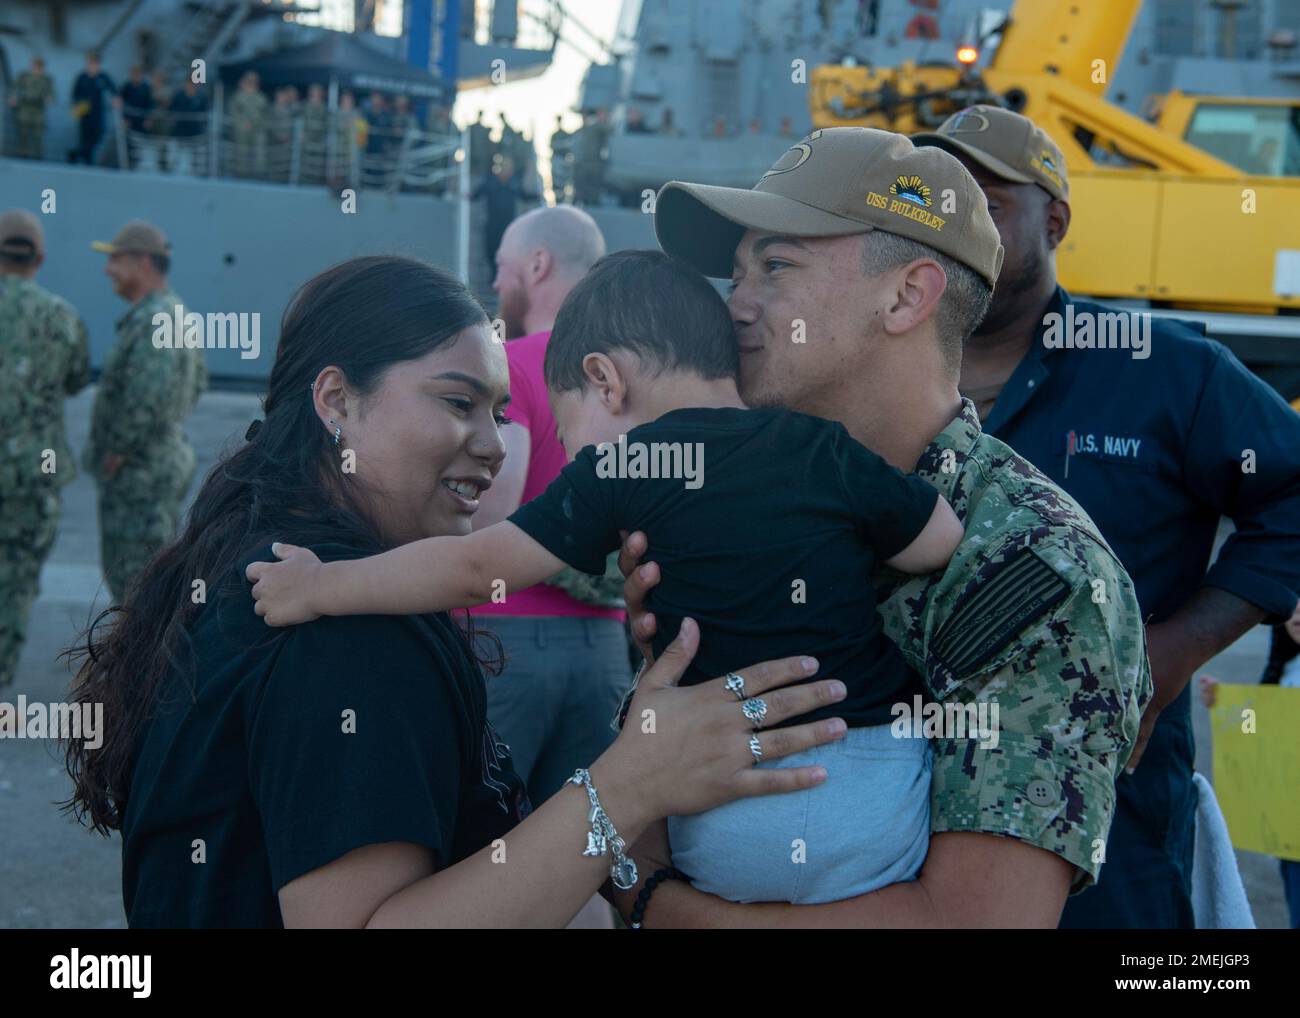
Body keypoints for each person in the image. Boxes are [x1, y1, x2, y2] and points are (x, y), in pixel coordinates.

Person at [62, 255, 848, 927]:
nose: (493, 444)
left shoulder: (262, 561)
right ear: (336, 402)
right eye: (456, 401)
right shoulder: (349, 625)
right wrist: (629, 784)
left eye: (501, 412)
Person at [248, 249, 964, 907]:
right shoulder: (821, 445)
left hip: (740, 808)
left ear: (604, 380)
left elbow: (478, 568)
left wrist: (321, 587)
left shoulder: (623, 466)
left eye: (567, 432)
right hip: (879, 796)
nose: (571, 451)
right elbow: (939, 541)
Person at [614, 127, 1150, 926]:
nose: (738, 303)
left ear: (907, 295)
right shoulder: (720, 494)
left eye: (777, 265)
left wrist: (651, 900)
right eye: (737, 271)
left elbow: (971, 924)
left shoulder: (1033, 568)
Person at [911, 105, 1300, 928]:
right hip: (902, 796)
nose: (953, 226)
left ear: (1054, 221)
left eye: (984, 201)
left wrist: (1172, 652)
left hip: (1107, 811)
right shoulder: (873, 375)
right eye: (933, 203)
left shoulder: (1168, 373)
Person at [85, 221, 208, 602]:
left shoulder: (155, 319)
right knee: (144, 579)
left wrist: (117, 450)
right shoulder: (175, 314)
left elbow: (146, 394)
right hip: (156, 464)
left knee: (134, 585)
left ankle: (138, 661)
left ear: (142, 263)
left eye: (115, 260)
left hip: (139, 471)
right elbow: (198, 383)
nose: (108, 270)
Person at [0, 210, 90, 688]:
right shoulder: (60, 314)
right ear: (40, 258)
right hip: (33, 470)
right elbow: (76, 379)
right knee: (14, 578)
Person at [1199, 597, 1300, 928]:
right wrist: (1227, 706)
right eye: (1297, 604)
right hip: (1291, 823)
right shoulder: (1285, 668)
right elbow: (1257, 735)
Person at [471, 156, 528, 277]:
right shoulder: (490, 182)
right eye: (505, 167)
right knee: (491, 249)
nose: (508, 171)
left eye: (510, 168)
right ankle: (493, 275)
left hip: (508, 225)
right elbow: (476, 194)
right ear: (500, 168)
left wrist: (540, 196)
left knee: (506, 250)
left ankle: (502, 275)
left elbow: (524, 195)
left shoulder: (514, 184)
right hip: (492, 224)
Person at [68, 52, 117, 166]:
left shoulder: (103, 77)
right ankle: (87, 160)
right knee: (85, 136)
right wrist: (78, 105)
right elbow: (75, 93)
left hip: (97, 111)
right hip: (84, 111)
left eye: (95, 63)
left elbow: (113, 88)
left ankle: (76, 154)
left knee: (99, 133)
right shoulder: (82, 77)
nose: (93, 66)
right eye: (91, 63)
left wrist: (115, 98)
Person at [9, 57, 55, 160]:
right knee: (23, 131)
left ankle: (38, 155)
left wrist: (49, 98)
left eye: (40, 66)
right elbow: (14, 87)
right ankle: (22, 153)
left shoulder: (46, 79)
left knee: (38, 133)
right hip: (25, 106)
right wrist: (13, 96)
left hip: (38, 108)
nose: (37, 68)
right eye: (36, 66)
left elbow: (51, 93)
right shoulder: (24, 76)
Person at [228, 71, 267, 178]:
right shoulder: (238, 96)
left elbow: (263, 113)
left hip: (257, 130)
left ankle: (259, 174)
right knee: (241, 152)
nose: (252, 83)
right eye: (249, 80)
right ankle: (241, 174)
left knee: (259, 152)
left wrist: (253, 123)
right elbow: (234, 112)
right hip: (241, 130)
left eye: (254, 81)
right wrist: (243, 123)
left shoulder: (261, 97)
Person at [299, 83, 329, 184]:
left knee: (317, 164)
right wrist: (301, 133)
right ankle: (304, 181)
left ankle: (316, 182)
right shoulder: (305, 106)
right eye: (314, 92)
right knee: (305, 163)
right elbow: (301, 120)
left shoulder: (325, 108)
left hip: (318, 141)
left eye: (318, 93)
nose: (316, 94)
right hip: (307, 140)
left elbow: (326, 124)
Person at [120, 65, 152, 134]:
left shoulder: (146, 88)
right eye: (134, 74)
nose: (136, 76)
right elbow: (121, 103)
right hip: (130, 120)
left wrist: (148, 119)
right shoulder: (126, 87)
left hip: (142, 120)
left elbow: (150, 104)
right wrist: (124, 118)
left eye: (138, 74)